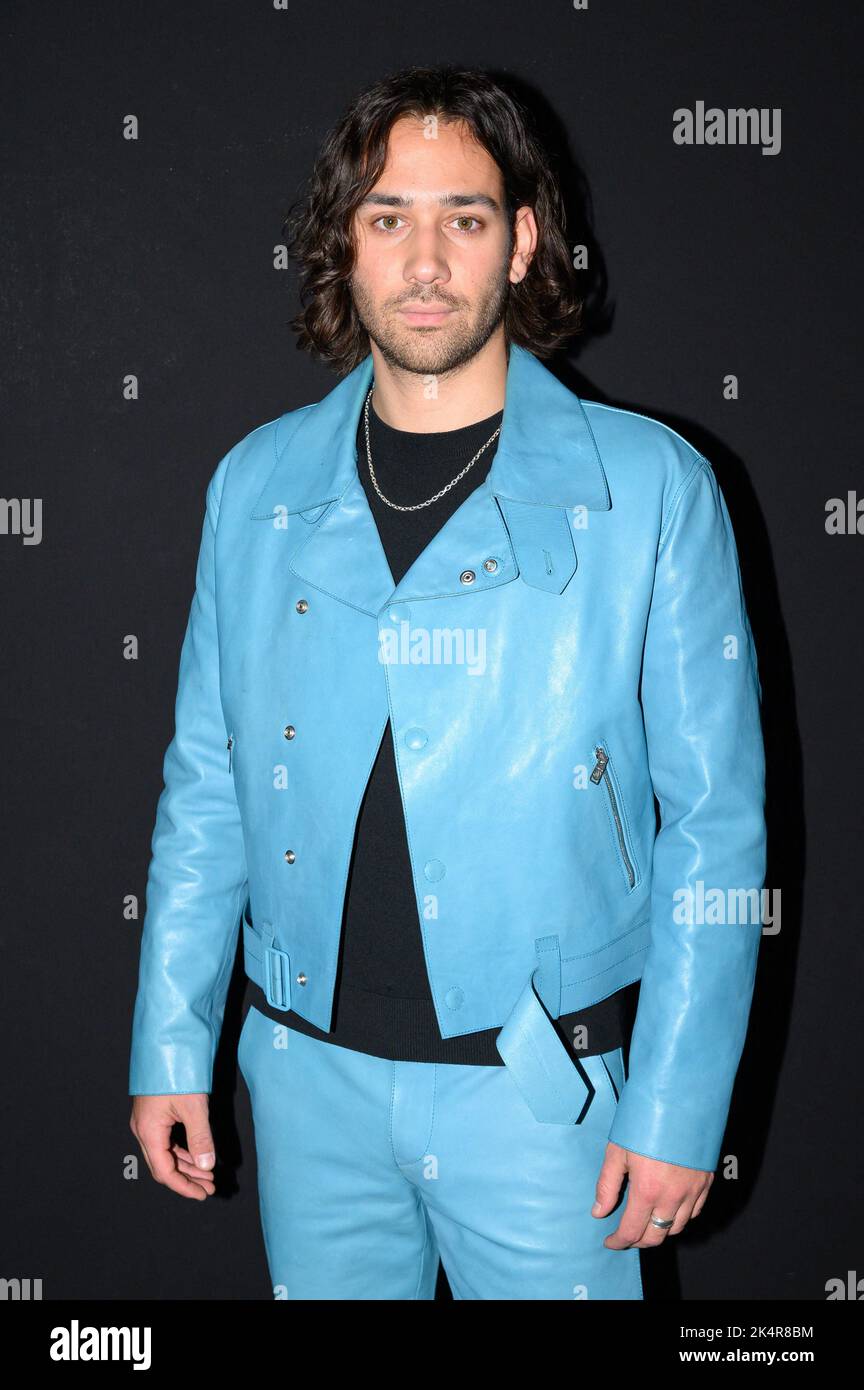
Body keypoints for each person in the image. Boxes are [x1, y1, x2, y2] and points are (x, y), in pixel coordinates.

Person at [129, 65, 767, 1301]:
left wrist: (683, 1101)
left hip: (545, 1104)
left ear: (523, 241)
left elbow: (717, 826)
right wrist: (170, 1041)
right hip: (306, 1089)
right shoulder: (255, 488)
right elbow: (206, 787)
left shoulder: (651, 490)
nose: (425, 260)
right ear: (345, 247)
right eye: (388, 219)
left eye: (464, 218)